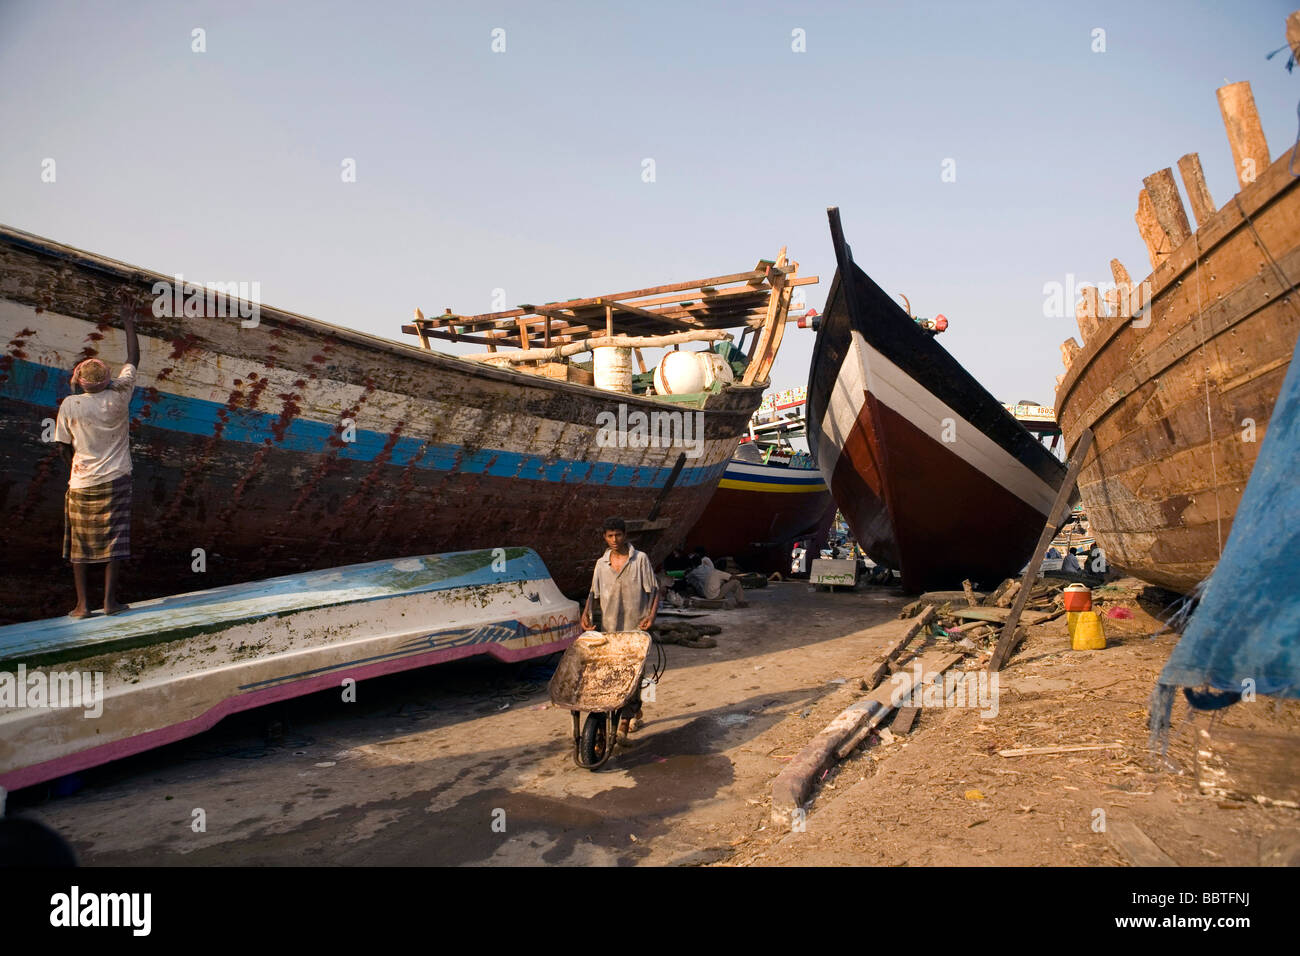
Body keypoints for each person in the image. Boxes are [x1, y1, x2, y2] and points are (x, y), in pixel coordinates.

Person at [54, 298, 139, 618]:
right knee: (113, 543)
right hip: (116, 478)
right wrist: (128, 322)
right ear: (108, 379)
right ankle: (110, 602)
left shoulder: (69, 405)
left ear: (80, 381)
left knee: (80, 545)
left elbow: (62, 446)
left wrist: (74, 469)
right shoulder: (120, 395)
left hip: (81, 483)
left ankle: (81, 605)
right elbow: (133, 359)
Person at [581, 517, 659, 737]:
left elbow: (654, 591)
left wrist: (651, 616)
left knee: (635, 675)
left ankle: (625, 720)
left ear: (625, 535)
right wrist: (585, 615)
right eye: (609, 536)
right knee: (612, 676)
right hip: (609, 631)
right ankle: (628, 711)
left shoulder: (640, 559)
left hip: (636, 630)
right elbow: (592, 594)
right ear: (604, 537)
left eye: (618, 535)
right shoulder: (601, 564)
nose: (614, 540)